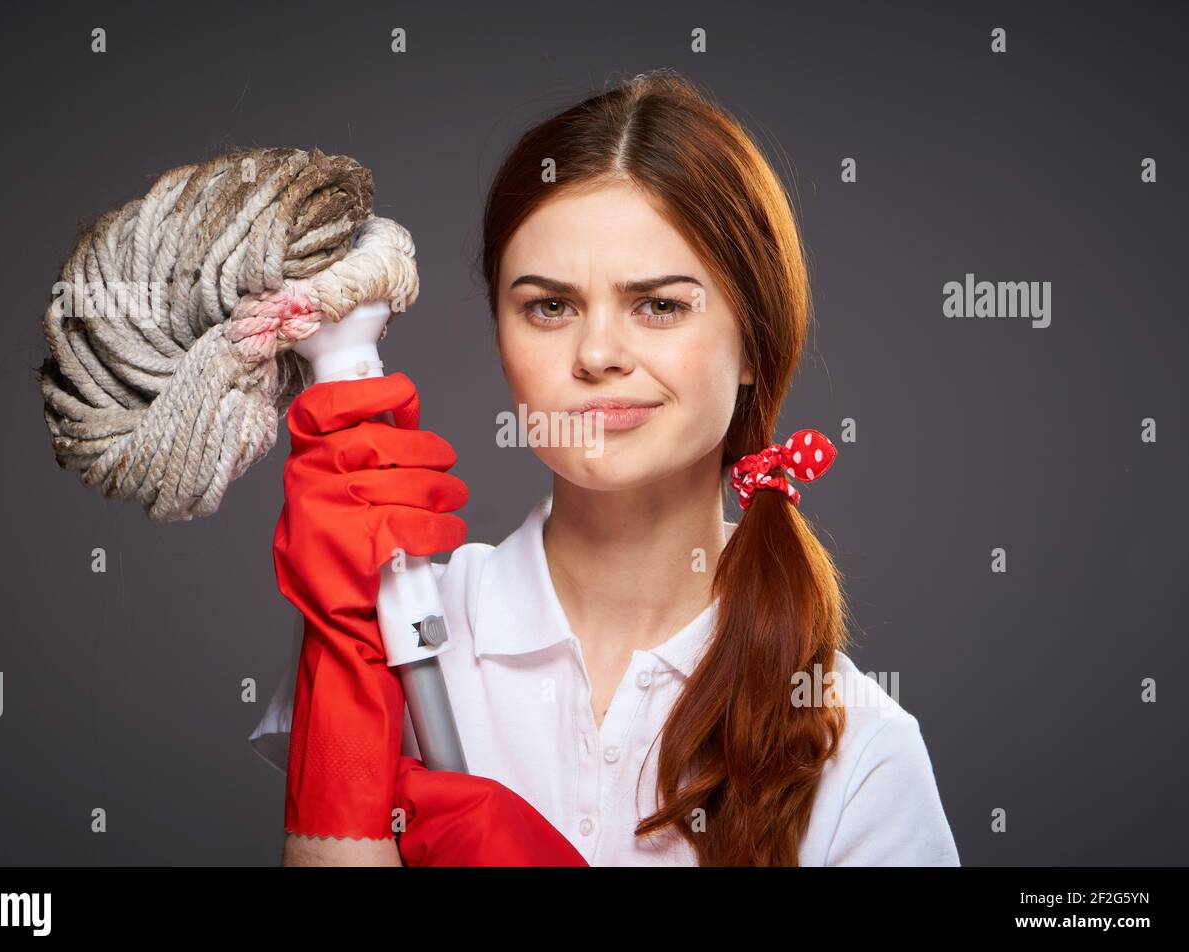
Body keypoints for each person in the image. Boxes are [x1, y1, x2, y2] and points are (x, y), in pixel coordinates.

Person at [252, 68, 960, 866]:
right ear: (500, 337)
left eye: (659, 305)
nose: (595, 355)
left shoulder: (859, 747)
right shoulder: (386, 630)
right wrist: (340, 649)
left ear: (754, 346)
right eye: (549, 306)